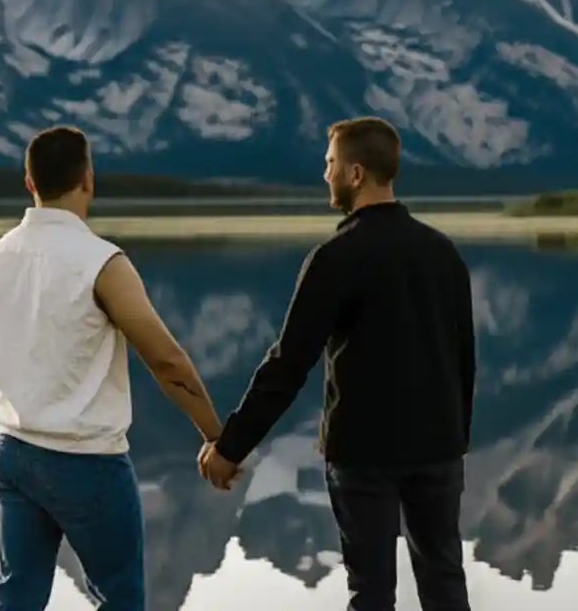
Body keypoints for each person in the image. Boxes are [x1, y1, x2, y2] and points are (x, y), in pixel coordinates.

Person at [198, 117, 476, 610]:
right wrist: (455, 437)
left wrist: (230, 446)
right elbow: (464, 360)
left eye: (330, 164)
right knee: (445, 584)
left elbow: (287, 365)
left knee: (369, 593)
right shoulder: (443, 253)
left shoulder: (335, 257)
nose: (323, 174)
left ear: (355, 174)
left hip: (362, 454)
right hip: (438, 448)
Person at [0, 126, 223, 611]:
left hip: (13, 451)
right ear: (88, 179)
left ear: (29, 182)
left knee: (16, 596)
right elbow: (167, 360)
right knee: (120, 596)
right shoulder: (101, 261)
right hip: (87, 461)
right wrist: (217, 436)